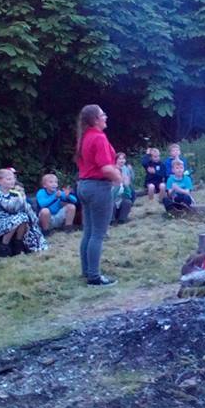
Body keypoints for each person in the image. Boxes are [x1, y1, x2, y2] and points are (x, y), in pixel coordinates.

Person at [76, 104, 122, 286]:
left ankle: (86, 271)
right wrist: (119, 179)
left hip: (84, 186)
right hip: (98, 188)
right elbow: (105, 168)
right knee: (98, 234)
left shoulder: (85, 137)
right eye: (103, 114)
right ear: (95, 119)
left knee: (88, 232)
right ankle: (94, 277)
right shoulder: (99, 138)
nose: (106, 117)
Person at [0, 169, 48, 255]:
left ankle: (18, 244)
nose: (12, 181)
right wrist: (20, 200)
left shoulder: (14, 193)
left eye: (13, 179)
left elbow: (26, 207)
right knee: (20, 218)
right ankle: (4, 246)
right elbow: (9, 207)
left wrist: (33, 218)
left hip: (12, 219)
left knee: (24, 217)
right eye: (8, 179)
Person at [111, 153, 135, 224]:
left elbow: (128, 195)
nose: (122, 160)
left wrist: (126, 186)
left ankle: (122, 219)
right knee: (111, 204)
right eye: (120, 159)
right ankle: (111, 220)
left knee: (128, 201)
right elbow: (111, 196)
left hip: (121, 200)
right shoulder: (112, 170)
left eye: (123, 159)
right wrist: (117, 186)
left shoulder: (126, 168)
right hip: (112, 202)